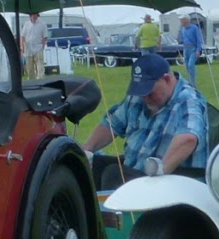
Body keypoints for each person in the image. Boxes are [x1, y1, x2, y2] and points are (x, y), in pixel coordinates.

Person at [81, 53, 208, 190]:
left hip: (171, 182)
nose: (145, 97)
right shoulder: (139, 97)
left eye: (149, 92)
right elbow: (112, 123)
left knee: (114, 174)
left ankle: (113, 212)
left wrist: (161, 170)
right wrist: (86, 150)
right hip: (137, 169)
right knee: (93, 165)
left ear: (167, 79)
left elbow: (188, 138)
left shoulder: (188, 100)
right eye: (141, 92)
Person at [19, 11, 48, 79]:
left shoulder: (42, 24)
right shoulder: (26, 24)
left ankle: (40, 78)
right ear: (30, 16)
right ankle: (32, 79)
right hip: (28, 48)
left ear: (37, 15)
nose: (33, 17)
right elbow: (22, 36)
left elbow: (45, 37)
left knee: (40, 64)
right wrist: (22, 47)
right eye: (32, 15)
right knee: (29, 66)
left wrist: (43, 46)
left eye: (35, 15)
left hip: (38, 47)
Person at [177, 14, 204, 86]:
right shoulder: (182, 29)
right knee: (186, 66)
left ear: (186, 20)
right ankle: (190, 80)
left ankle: (193, 83)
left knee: (190, 65)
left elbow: (199, 40)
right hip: (185, 48)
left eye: (182, 19)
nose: (181, 21)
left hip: (193, 48)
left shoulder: (194, 28)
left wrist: (198, 50)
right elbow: (182, 39)